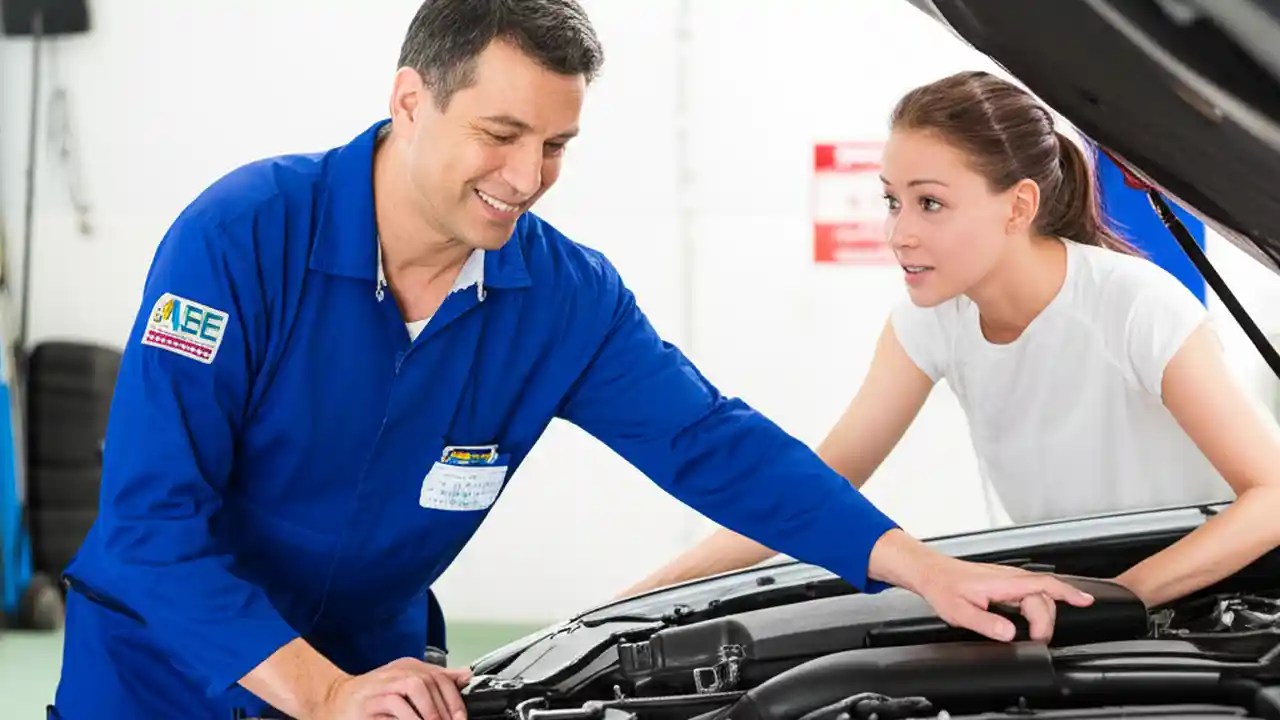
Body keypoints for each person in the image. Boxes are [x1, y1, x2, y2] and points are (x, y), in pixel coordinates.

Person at [51, 11, 1093, 720]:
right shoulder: (241, 238)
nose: (526, 179)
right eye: (500, 134)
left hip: (384, 678)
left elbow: (709, 443)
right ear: (411, 100)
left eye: (555, 145)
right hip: (163, 676)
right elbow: (147, 529)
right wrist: (317, 694)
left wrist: (918, 565)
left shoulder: (558, 295)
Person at [621, 70, 1280, 611]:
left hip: (1211, 599)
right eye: (892, 202)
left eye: (929, 203)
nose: (899, 234)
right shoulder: (930, 321)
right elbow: (815, 485)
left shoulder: (1135, 303)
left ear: (1018, 207)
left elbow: (1272, 497)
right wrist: (635, 602)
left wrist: (1120, 598)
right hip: (1065, 598)